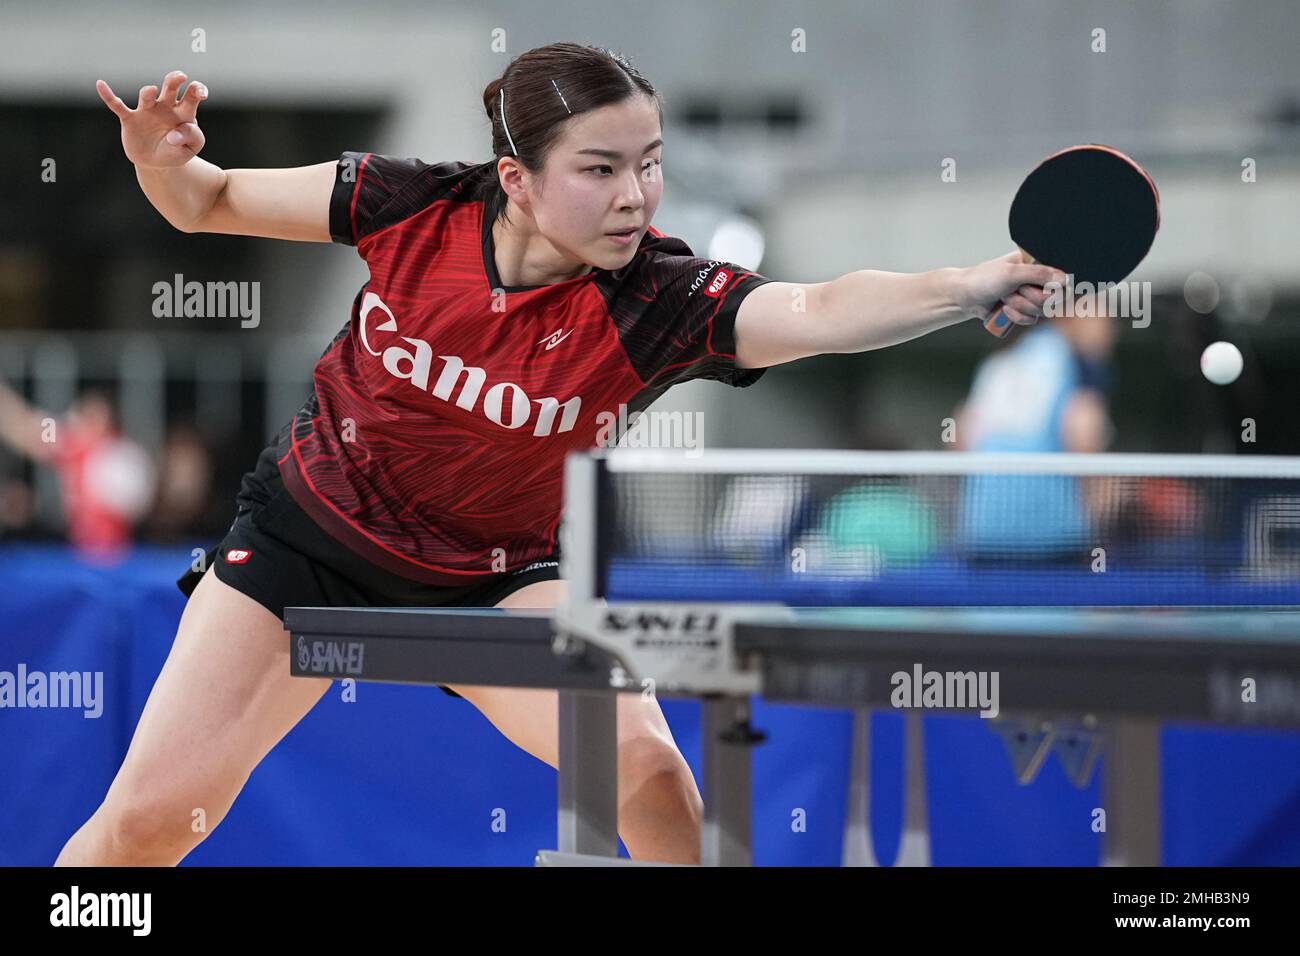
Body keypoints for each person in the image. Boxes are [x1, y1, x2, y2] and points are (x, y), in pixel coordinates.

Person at [61, 43, 1059, 866]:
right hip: (302, 545)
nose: (637, 195)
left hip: (495, 575)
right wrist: (160, 158)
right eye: (600, 168)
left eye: (649, 162)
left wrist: (967, 282)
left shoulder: (661, 298)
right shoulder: (409, 206)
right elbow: (209, 197)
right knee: (147, 824)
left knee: (655, 782)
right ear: (516, 181)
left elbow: (819, 306)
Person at [950, 308, 1116, 561]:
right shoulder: (1075, 364)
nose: (1110, 328)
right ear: (1068, 314)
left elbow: (961, 433)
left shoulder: (999, 363)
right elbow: (1083, 429)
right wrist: (1098, 517)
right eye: (1101, 314)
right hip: (1054, 537)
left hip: (983, 533)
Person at [0, 381, 156, 561]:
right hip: (78, 554)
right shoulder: (73, 446)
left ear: (108, 422)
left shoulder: (120, 460)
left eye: (89, 417)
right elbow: (25, 428)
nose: (77, 422)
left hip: (112, 560)